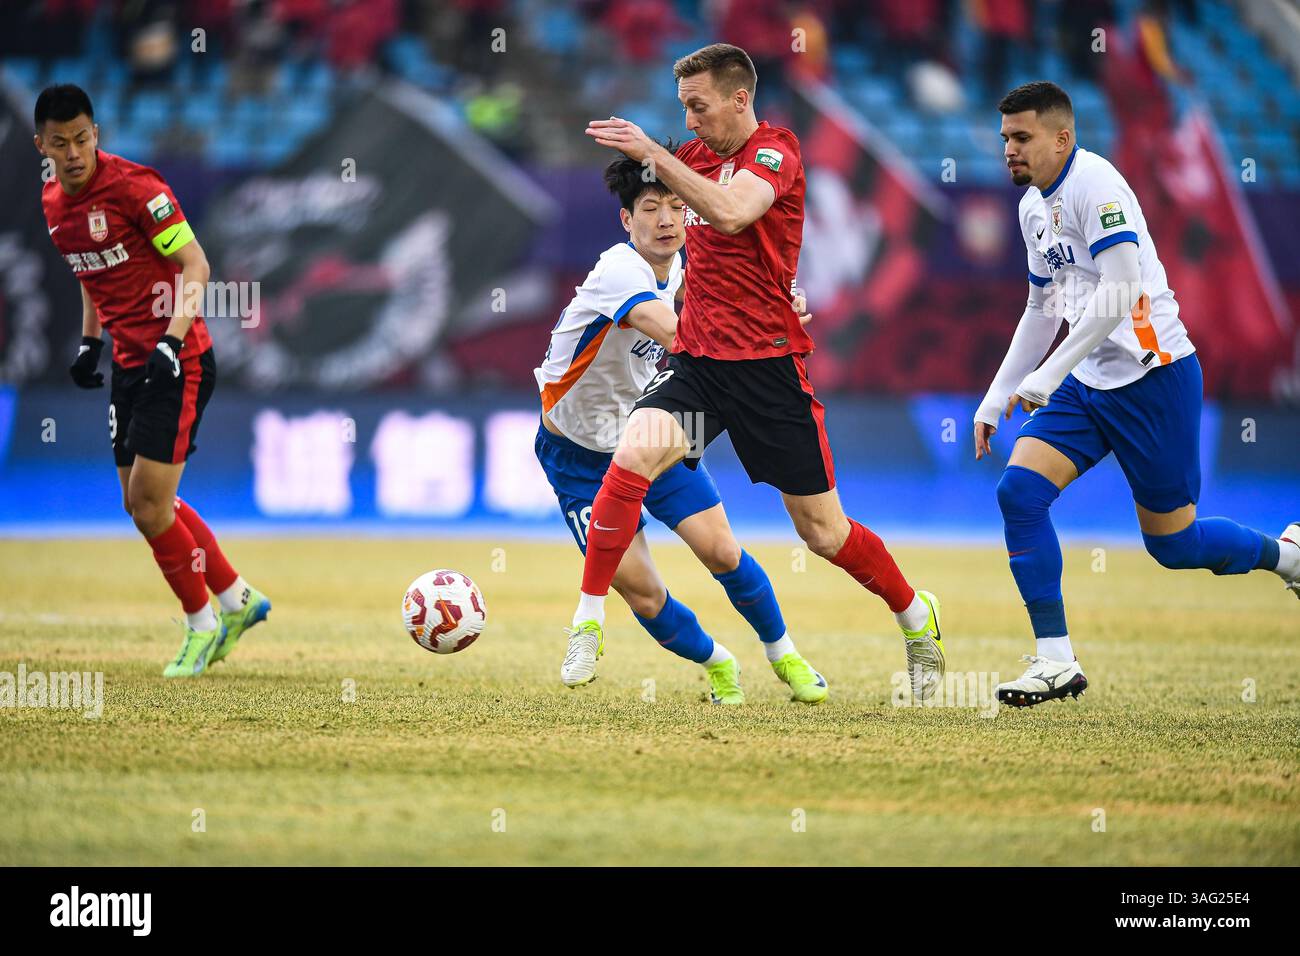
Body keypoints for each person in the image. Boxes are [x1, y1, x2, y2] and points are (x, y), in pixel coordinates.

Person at [578, 43, 945, 700]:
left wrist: (653, 154)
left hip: (769, 371)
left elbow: (731, 212)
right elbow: (692, 241)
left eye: (699, 106)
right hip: (699, 369)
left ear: (739, 98)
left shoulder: (775, 152)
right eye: (682, 109)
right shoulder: (689, 160)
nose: (689, 122)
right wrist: (688, 292)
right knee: (633, 455)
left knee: (823, 533)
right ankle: (587, 620)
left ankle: (916, 615)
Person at [974, 81, 1299, 707]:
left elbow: (1122, 289)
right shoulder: (1032, 208)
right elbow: (1043, 308)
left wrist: (1047, 375)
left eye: (1022, 137)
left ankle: (1286, 557)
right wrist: (997, 396)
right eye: (1005, 137)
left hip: (1155, 378)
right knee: (1019, 492)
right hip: (1089, 382)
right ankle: (1055, 660)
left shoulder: (1099, 185)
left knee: (1174, 545)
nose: (1008, 149)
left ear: (1062, 137)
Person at [536, 150, 826, 704]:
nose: (667, 220)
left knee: (721, 551)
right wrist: (761, 324)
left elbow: (762, 297)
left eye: (677, 205)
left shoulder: (701, 272)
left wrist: (779, 307)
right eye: (650, 208)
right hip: (577, 451)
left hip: (654, 428)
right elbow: (680, 337)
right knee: (643, 594)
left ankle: (785, 653)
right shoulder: (618, 272)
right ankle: (718, 662)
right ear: (627, 220)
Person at [36, 84, 271, 678]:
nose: (73, 153)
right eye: (60, 143)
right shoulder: (53, 205)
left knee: (148, 503)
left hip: (179, 358)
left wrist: (170, 341)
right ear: (42, 145)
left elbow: (197, 266)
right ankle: (239, 598)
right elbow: (89, 271)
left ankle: (202, 623)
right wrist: (91, 341)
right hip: (128, 364)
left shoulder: (137, 188)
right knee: (143, 503)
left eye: (82, 139)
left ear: (97, 136)